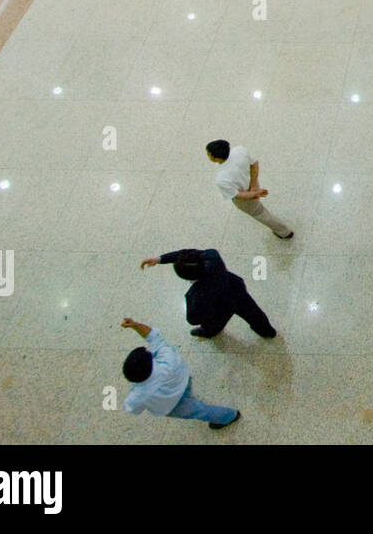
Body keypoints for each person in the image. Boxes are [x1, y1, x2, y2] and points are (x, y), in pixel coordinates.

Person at [119, 318, 239, 428]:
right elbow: (152, 335)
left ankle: (229, 416)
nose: (149, 350)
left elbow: (130, 408)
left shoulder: (138, 395)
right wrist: (135, 325)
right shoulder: (167, 357)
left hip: (173, 406)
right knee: (199, 407)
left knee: (199, 411)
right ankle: (229, 415)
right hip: (184, 380)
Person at [140, 248, 276, 339]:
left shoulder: (197, 295)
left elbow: (193, 319)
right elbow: (190, 253)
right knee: (254, 313)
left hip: (219, 308)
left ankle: (209, 333)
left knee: (213, 324)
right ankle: (267, 331)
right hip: (236, 291)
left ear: (187, 278)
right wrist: (160, 259)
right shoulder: (213, 257)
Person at [205, 139, 293, 238]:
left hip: (246, 197)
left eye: (208, 153)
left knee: (261, 214)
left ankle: (284, 232)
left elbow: (237, 195)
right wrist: (254, 184)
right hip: (251, 181)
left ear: (214, 157)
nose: (207, 155)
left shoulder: (222, 179)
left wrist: (254, 194)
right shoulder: (239, 150)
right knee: (259, 210)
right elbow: (254, 164)